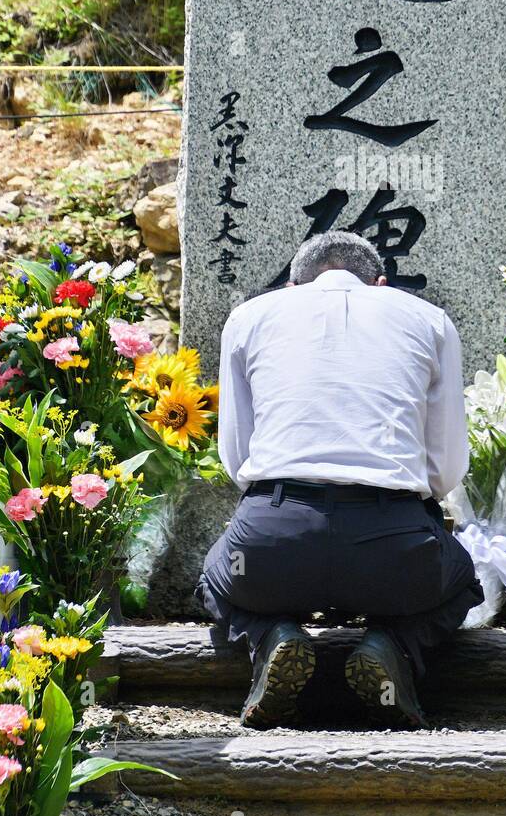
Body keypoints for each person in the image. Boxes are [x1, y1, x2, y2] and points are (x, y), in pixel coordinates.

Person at [195, 229, 482, 729]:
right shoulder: (429, 320)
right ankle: (393, 647)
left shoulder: (248, 317)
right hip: (395, 552)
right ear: (381, 283)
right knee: (459, 580)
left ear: (291, 286)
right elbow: (446, 467)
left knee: (216, 576)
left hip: (270, 546)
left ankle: (273, 637)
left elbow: (238, 459)